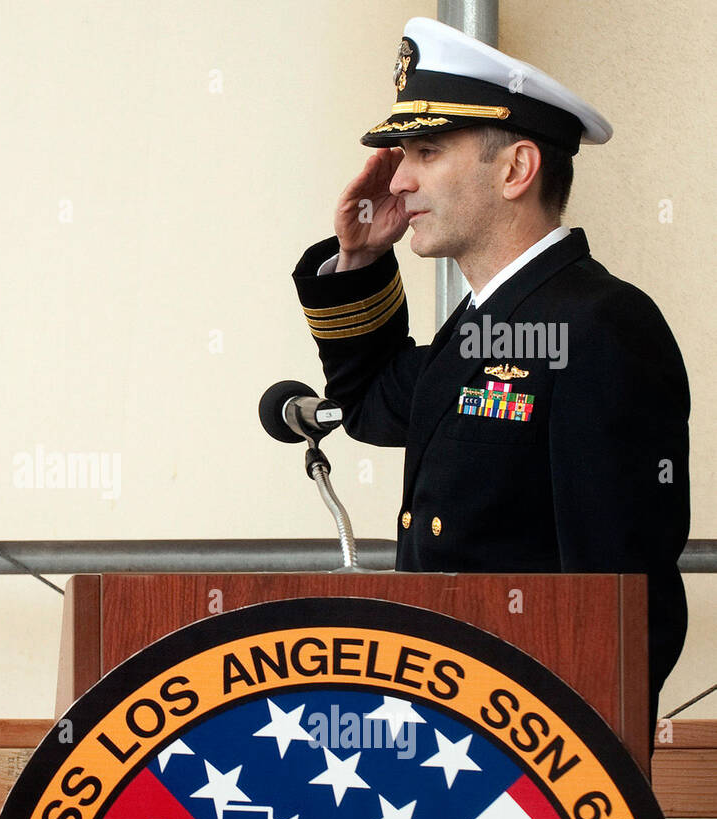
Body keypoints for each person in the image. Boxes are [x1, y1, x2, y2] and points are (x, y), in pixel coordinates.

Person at [292, 18, 689, 724]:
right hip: (456, 747)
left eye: (427, 150)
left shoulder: (599, 325)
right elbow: (369, 403)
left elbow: (620, 603)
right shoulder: (487, 325)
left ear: (515, 169)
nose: (401, 178)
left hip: (528, 770)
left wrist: (573, 775)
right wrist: (358, 260)